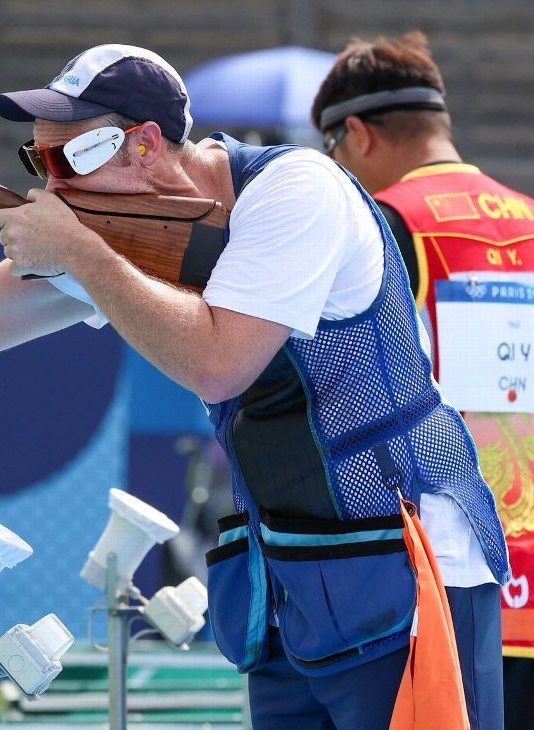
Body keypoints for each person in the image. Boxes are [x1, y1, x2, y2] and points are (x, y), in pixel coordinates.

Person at [0, 43, 509, 727]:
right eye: (35, 161)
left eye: (67, 160)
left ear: (144, 145)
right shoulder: (117, 236)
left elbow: (220, 362)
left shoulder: (296, 189)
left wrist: (80, 253)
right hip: (291, 584)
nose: (50, 184)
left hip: (410, 566)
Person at [314, 31, 532, 729]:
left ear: (356, 133)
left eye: (331, 150)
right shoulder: (529, 218)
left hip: (457, 582)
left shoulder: (381, 224)